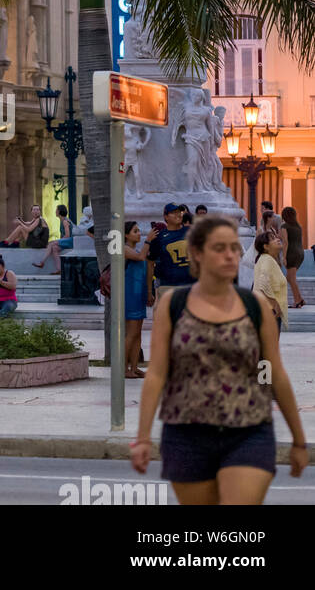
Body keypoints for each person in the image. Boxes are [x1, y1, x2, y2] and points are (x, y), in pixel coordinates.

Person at [132, 213, 308, 504]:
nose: (230, 255)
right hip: (187, 434)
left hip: (248, 430)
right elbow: (157, 374)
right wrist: (142, 438)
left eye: (233, 248)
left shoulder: (255, 307)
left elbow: (276, 372)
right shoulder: (173, 306)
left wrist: (299, 440)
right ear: (197, 254)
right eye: (219, 248)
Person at [146, 203, 194, 302]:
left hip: (192, 286)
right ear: (166, 216)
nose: (178, 214)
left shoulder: (193, 231)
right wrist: (149, 291)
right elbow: (150, 263)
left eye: (179, 212)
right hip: (168, 287)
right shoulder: (159, 237)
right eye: (173, 212)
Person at [123, 221, 150, 379]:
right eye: (135, 231)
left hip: (139, 294)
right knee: (131, 333)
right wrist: (148, 241)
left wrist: (148, 292)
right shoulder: (125, 249)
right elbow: (140, 257)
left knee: (138, 333)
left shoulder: (136, 249)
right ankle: (124, 368)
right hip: (130, 295)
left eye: (139, 230)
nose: (139, 233)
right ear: (126, 235)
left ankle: (134, 367)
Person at [253, 233, 288, 333]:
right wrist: (275, 305)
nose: (277, 239)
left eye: (276, 237)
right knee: (270, 347)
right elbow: (263, 283)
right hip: (270, 311)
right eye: (272, 239)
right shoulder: (267, 260)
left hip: (266, 310)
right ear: (266, 247)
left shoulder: (266, 259)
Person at [31, 206, 75, 274]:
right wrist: (58, 241)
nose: (55, 212)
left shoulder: (65, 221)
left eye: (56, 210)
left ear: (59, 211)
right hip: (67, 241)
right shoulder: (62, 221)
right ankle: (59, 269)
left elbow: (67, 235)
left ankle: (42, 262)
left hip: (71, 241)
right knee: (54, 248)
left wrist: (57, 241)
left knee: (51, 243)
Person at [280, 207, 305, 308]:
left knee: (291, 278)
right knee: (290, 278)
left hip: (291, 253)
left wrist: (284, 257)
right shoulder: (298, 226)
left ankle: (297, 301)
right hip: (300, 253)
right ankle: (299, 299)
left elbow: (285, 242)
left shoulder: (284, 226)